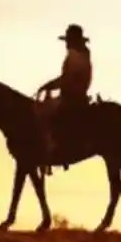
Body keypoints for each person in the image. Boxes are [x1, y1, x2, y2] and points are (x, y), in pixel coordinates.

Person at [34, 24, 93, 159]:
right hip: (76, 94)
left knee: (41, 112)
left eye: (68, 41)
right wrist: (50, 85)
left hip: (72, 96)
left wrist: (48, 86)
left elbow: (67, 79)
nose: (66, 44)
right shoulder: (83, 54)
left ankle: (51, 145)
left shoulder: (75, 56)